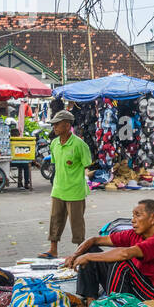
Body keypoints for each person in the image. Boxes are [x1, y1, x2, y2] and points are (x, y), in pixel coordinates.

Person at [66, 199, 154, 300]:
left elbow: (124, 254)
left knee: (121, 262)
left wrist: (87, 257)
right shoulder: (134, 234)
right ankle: (90, 301)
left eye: (137, 215)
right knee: (91, 250)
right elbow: (94, 240)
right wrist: (75, 255)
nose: (133, 220)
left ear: (152, 218)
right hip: (135, 285)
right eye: (133, 216)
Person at [42, 110, 93, 258]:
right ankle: (53, 249)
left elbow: (86, 165)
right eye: (54, 125)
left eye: (57, 124)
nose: (54, 127)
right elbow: (56, 165)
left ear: (67, 125)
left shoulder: (79, 144)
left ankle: (80, 251)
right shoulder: (54, 143)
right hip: (58, 189)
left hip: (75, 190)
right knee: (55, 221)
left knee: (77, 223)